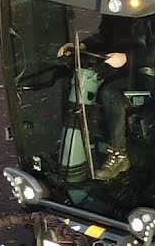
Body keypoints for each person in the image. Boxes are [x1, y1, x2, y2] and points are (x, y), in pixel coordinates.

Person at [57, 15, 143, 180]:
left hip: (146, 69)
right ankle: (75, 144)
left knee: (109, 93)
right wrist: (82, 45)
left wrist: (127, 57)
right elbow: (105, 36)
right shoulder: (118, 7)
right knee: (75, 81)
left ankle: (120, 155)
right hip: (117, 65)